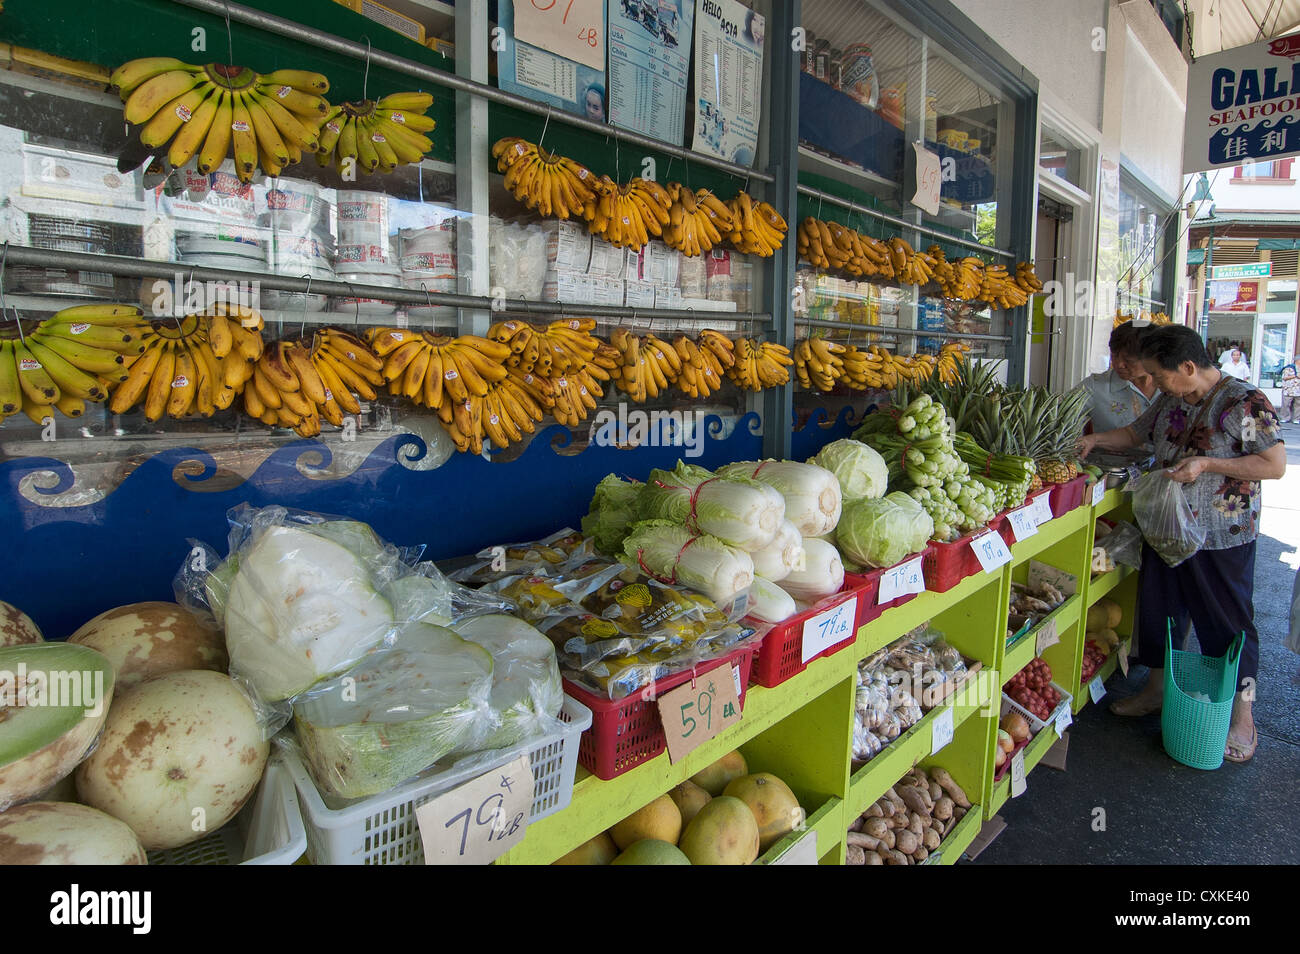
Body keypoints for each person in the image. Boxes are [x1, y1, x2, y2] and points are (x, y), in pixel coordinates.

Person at [1077, 324, 1285, 763]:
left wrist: (1207, 464)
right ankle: (1155, 690)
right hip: (1167, 527)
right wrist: (1094, 439)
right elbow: (1135, 434)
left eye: (1159, 374)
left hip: (1220, 534)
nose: (1154, 382)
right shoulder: (1173, 398)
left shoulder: (1244, 402)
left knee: (1228, 623)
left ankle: (1243, 716)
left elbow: (1274, 464)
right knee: (1162, 611)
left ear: (1188, 366)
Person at [1082, 322, 1157, 435]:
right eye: (1114, 356)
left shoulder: (1172, 388)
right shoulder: (1095, 386)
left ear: (1151, 357)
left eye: (1128, 360)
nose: (1119, 364)